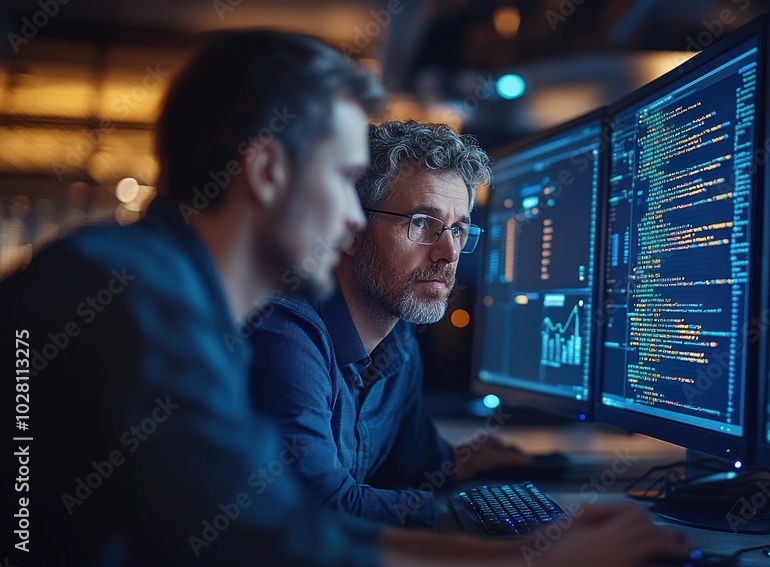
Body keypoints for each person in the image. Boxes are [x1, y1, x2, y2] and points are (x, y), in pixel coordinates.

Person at [0, 29, 694, 566]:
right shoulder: (141, 307)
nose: (354, 216)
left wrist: (527, 547)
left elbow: (299, 531)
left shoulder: (165, 291)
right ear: (266, 170)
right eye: (341, 178)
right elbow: (284, 544)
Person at [248, 120, 528, 528]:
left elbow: (418, 465)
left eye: (459, 229)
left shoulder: (399, 344)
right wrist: (481, 523)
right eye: (421, 223)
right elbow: (317, 510)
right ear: (351, 229)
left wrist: (460, 464)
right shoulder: (282, 333)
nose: (449, 252)